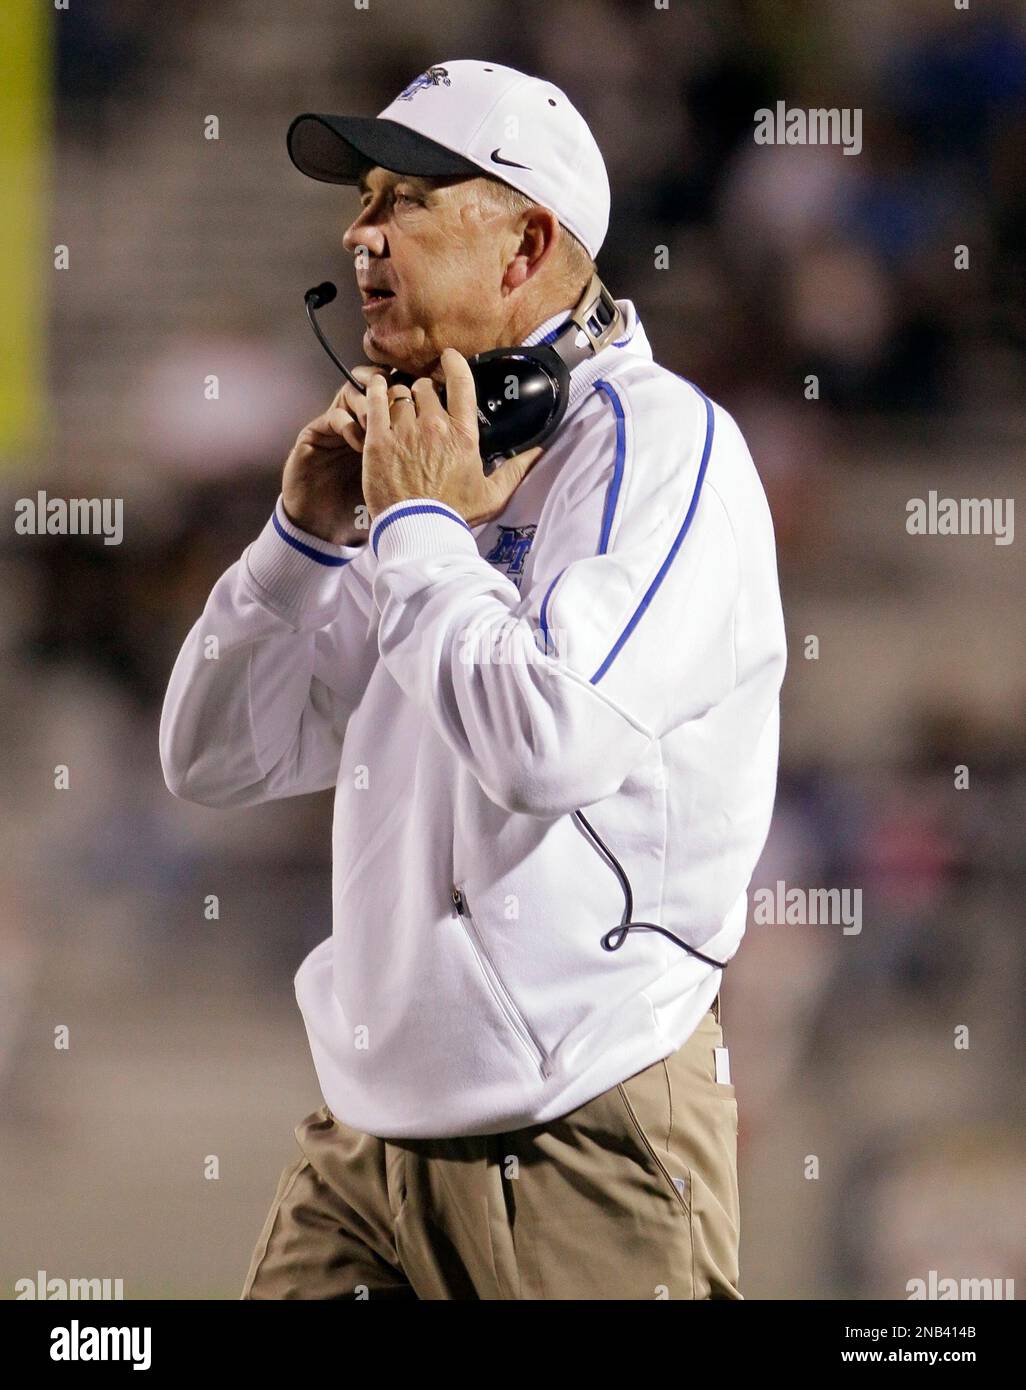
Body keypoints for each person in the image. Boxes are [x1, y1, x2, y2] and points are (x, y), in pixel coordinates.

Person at [159, 59, 787, 1300]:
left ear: (526, 244)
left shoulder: (665, 447)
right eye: (363, 200)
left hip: (583, 1124)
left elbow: (553, 742)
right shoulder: (418, 457)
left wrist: (420, 535)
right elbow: (208, 754)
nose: (359, 232)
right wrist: (296, 545)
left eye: (404, 197)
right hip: (365, 1135)